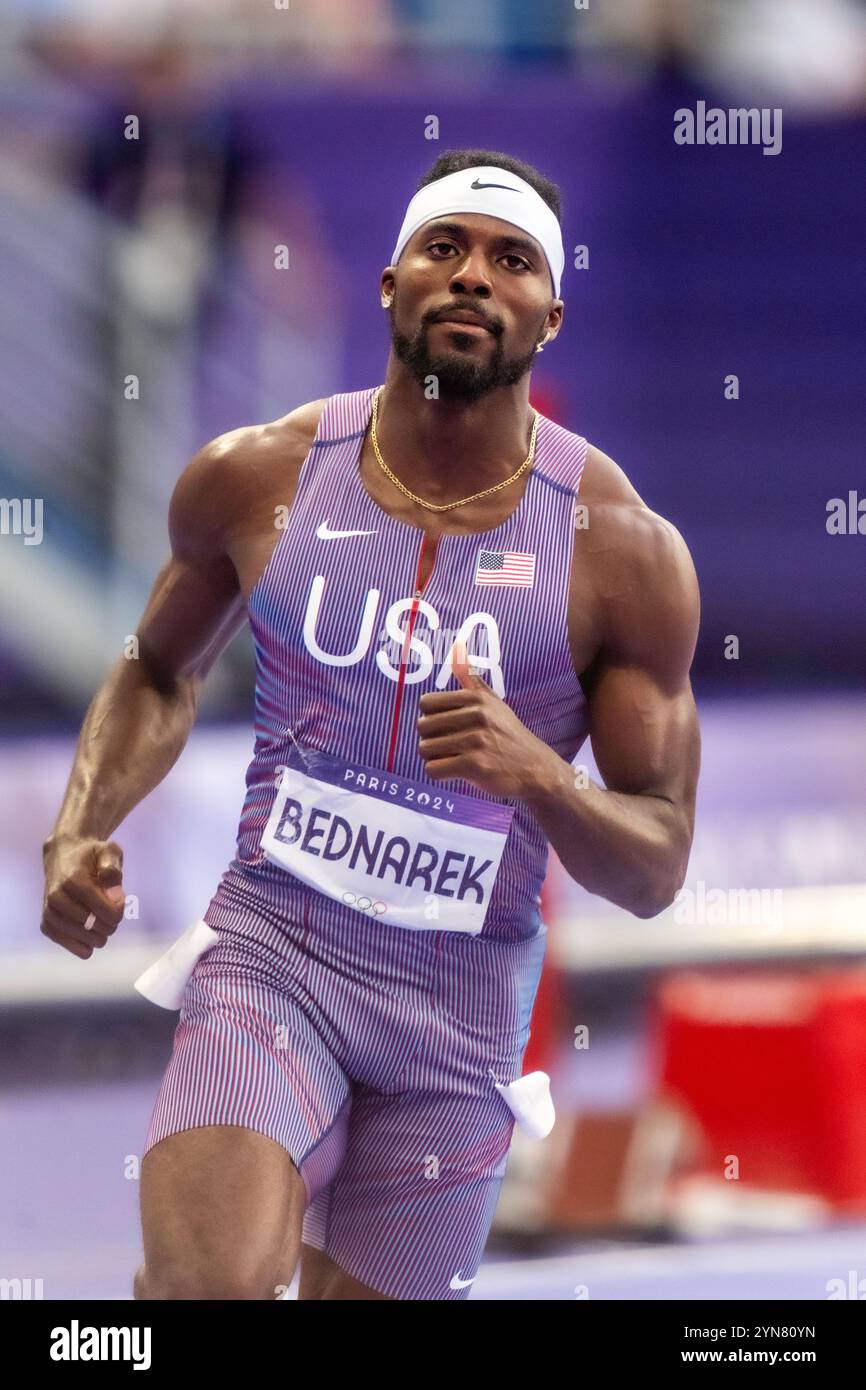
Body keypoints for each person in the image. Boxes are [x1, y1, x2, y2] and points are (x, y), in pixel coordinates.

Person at [41, 149, 701, 1301]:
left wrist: (540, 775)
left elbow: (655, 865)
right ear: (391, 283)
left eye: (509, 261)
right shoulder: (255, 478)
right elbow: (154, 667)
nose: (471, 279)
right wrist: (78, 824)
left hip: (458, 1019)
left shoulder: (623, 553)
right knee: (203, 1289)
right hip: (273, 956)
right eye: (442, 249)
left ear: (551, 315)